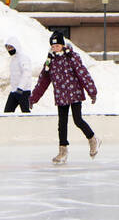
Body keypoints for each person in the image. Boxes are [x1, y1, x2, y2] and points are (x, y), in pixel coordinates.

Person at [30, 32, 100, 163]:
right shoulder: (50, 61)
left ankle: (93, 139)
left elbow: (83, 74)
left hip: (74, 94)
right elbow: (43, 81)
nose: (55, 48)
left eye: (57, 45)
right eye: (53, 46)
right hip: (61, 96)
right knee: (62, 124)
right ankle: (63, 151)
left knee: (77, 120)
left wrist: (92, 91)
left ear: (62, 45)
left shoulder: (71, 57)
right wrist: (33, 98)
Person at [3, 41, 32, 113]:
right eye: (8, 48)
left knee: (26, 113)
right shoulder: (13, 60)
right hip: (14, 91)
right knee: (7, 112)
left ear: (16, 46)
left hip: (23, 91)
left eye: (11, 47)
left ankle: (29, 124)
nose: (10, 50)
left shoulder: (23, 58)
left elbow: (26, 73)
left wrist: (20, 88)